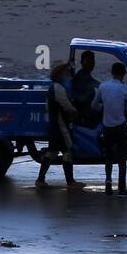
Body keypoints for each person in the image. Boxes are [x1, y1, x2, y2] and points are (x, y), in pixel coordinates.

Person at [36, 60, 81, 189]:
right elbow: (66, 105)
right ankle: (70, 182)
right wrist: (75, 112)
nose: (68, 74)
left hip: (53, 124)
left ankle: (40, 180)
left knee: (52, 152)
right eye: (66, 72)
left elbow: (47, 107)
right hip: (60, 125)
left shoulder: (52, 88)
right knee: (67, 151)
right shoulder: (58, 88)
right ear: (60, 73)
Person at [94, 61, 127, 195]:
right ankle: (122, 188)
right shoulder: (125, 89)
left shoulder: (103, 87)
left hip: (107, 127)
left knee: (108, 157)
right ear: (123, 74)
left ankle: (108, 183)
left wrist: (104, 107)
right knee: (122, 157)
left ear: (111, 73)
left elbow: (95, 105)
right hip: (121, 126)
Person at [71, 49, 99, 124]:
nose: (91, 64)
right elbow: (93, 83)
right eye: (88, 61)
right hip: (82, 112)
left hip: (85, 108)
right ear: (82, 62)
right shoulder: (81, 76)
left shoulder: (85, 75)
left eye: (93, 62)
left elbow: (94, 82)